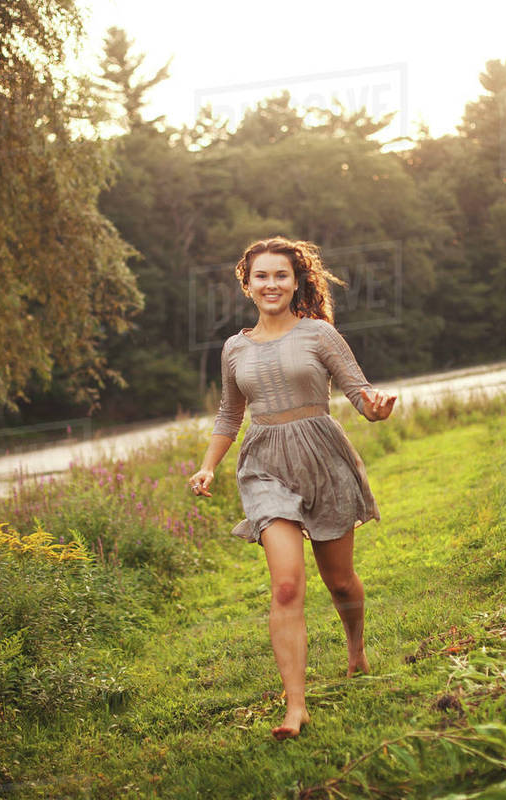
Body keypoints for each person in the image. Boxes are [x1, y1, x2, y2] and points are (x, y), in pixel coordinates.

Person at [188, 236, 397, 740]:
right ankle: (295, 707)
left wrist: (375, 407)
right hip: (263, 464)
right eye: (261, 275)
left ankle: (356, 652)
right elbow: (229, 414)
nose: (271, 284)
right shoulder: (234, 348)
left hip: (323, 458)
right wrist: (208, 466)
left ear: (297, 280)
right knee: (285, 585)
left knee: (340, 581)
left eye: (281, 275)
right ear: (247, 284)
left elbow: (357, 390)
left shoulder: (319, 335)